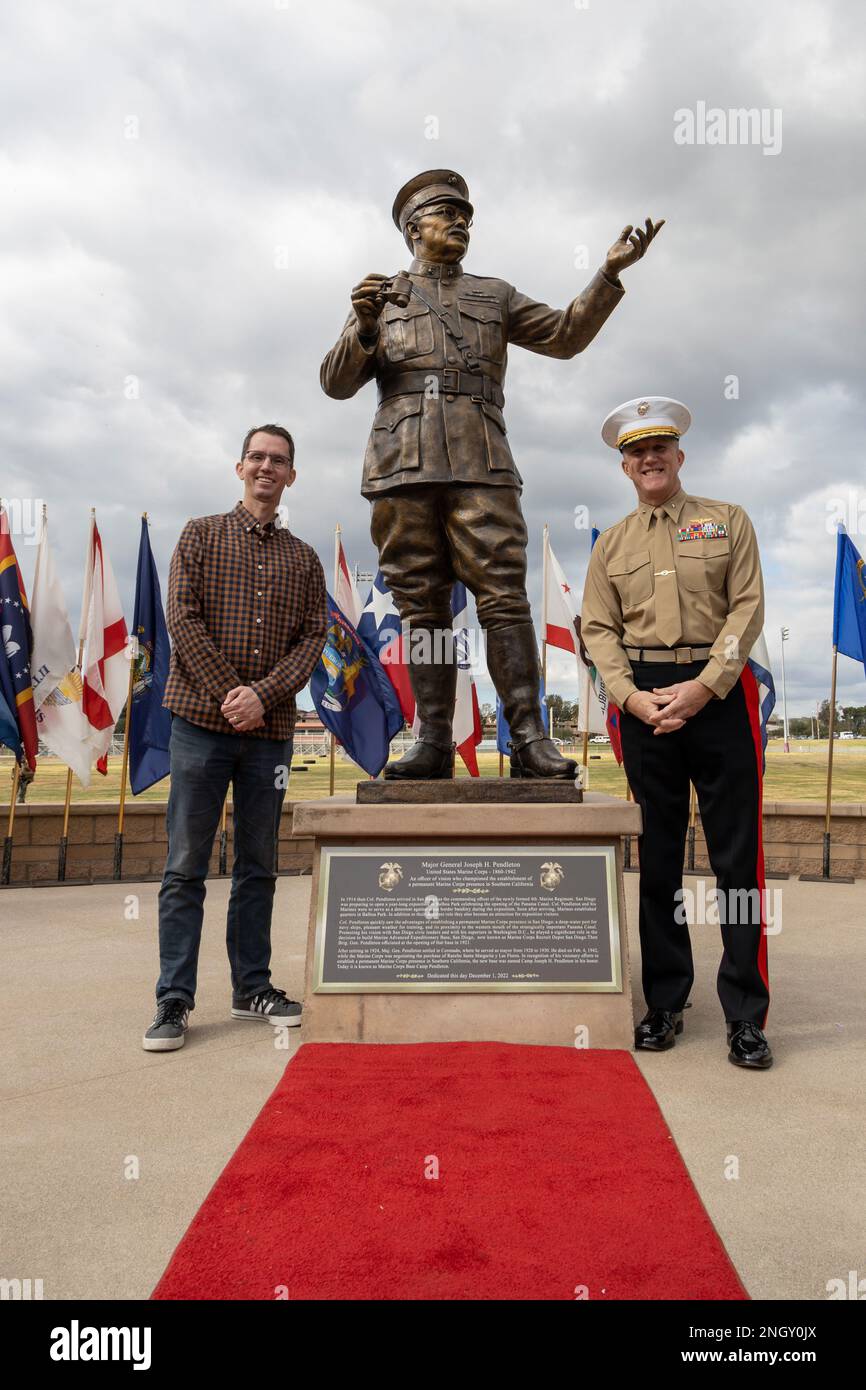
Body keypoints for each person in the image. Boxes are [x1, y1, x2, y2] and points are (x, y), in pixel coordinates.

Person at [321, 168, 663, 779]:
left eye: (466, 216)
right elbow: (336, 383)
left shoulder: (494, 294)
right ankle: (431, 740)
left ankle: (529, 737)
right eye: (446, 213)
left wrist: (608, 275)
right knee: (421, 608)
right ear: (412, 228)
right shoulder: (378, 298)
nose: (460, 223)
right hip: (403, 469)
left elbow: (564, 336)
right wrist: (365, 326)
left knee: (504, 599)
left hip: (483, 462)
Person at [581, 398, 772, 1069]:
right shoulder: (612, 543)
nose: (650, 458)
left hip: (715, 697)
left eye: (660, 446)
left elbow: (747, 607)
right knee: (657, 860)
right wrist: (631, 699)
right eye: (637, 451)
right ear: (625, 466)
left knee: (736, 863)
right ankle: (665, 1003)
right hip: (644, 704)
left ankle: (746, 1015)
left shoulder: (727, 520)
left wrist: (703, 687)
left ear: (679, 457)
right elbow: (598, 630)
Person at [142, 426, 327, 1052]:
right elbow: (182, 620)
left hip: (269, 736)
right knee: (185, 866)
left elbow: (311, 640)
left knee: (258, 866)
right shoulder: (199, 534)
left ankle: (252, 988)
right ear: (239, 467)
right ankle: (174, 999)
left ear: (291, 476)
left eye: (278, 460)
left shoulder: (304, 558)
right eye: (257, 457)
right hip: (198, 725)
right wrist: (232, 695)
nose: (266, 467)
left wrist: (263, 697)